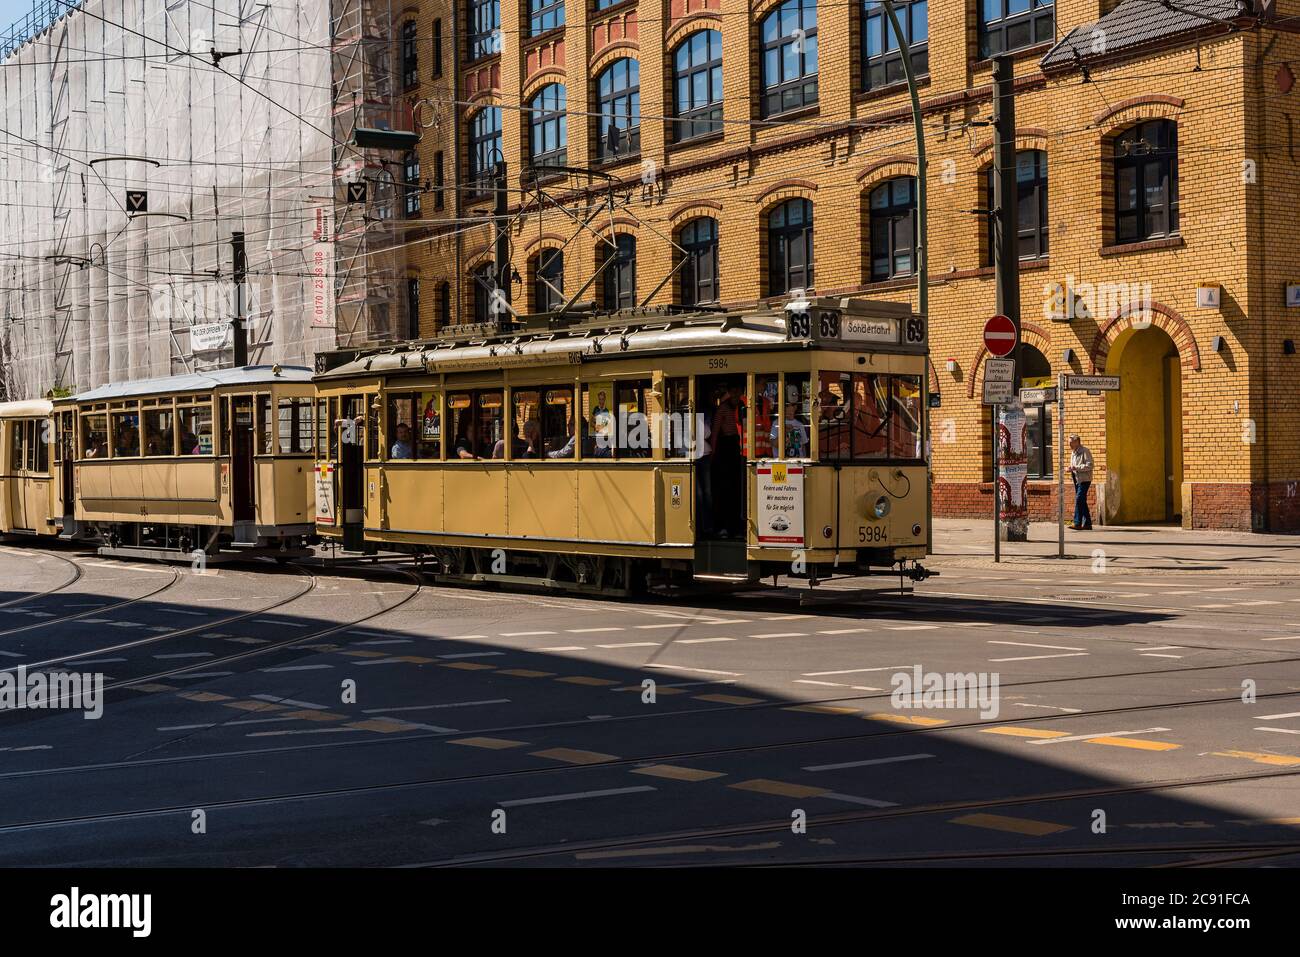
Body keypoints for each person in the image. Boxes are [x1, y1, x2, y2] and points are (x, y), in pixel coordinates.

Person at [1067, 434, 1094, 530]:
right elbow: (1074, 465)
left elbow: (1090, 465)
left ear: (1077, 442)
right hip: (1076, 478)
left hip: (1085, 479)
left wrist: (1076, 468)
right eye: (1068, 442)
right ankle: (1087, 524)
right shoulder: (1073, 452)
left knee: (1079, 499)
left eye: (1070, 442)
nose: (1069, 444)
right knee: (1082, 500)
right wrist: (1070, 468)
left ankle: (1077, 523)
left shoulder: (1085, 451)